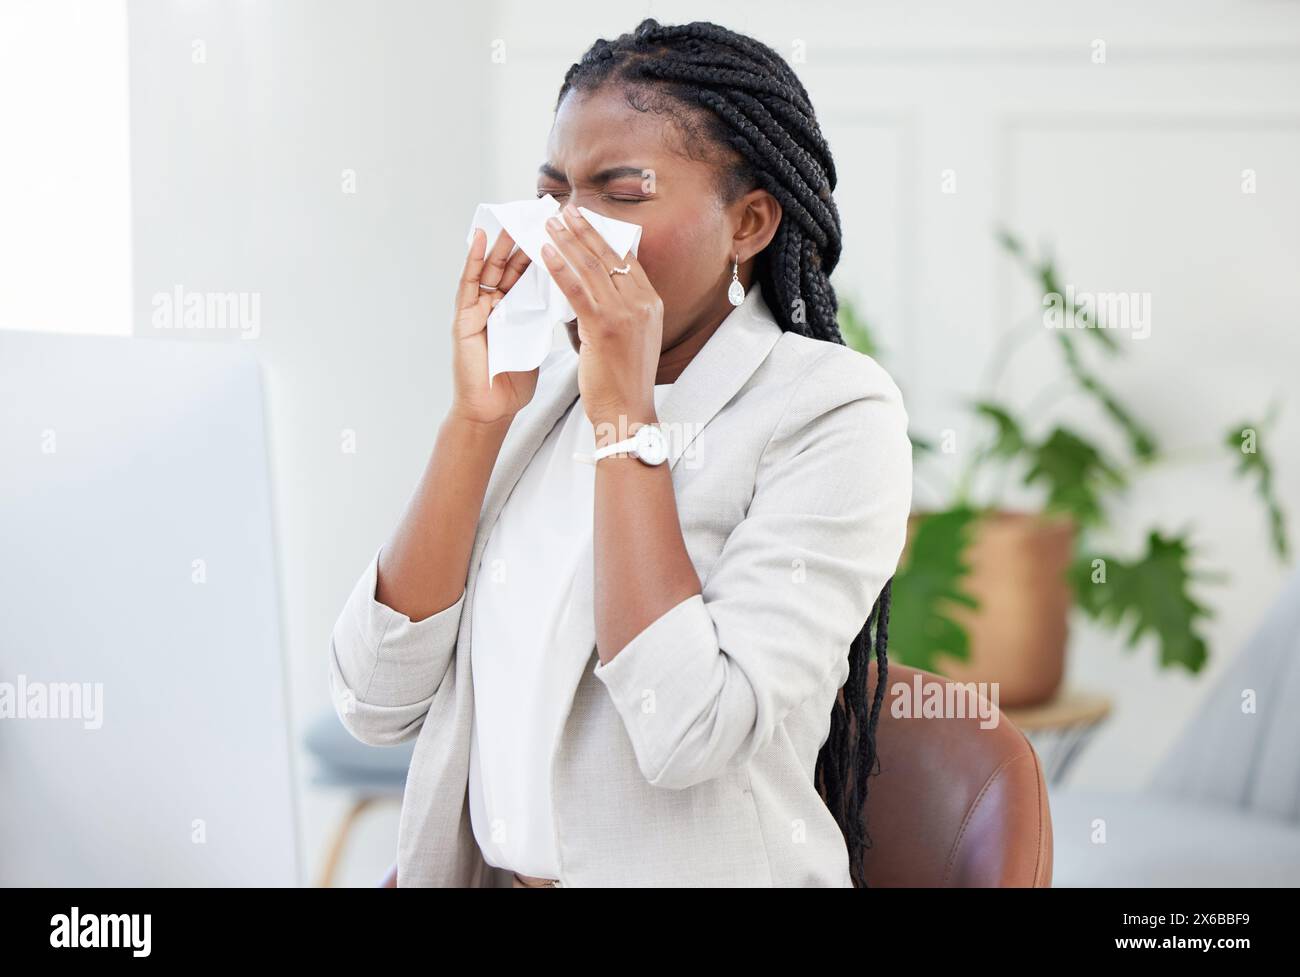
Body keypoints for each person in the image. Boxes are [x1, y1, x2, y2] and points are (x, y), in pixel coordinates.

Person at [329, 17, 913, 887]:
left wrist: (626, 424)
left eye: (621, 193)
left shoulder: (832, 413)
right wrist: (475, 423)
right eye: (555, 191)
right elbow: (374, 701)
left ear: (748, 222)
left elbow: (685, 731)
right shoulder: (540, 396)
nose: (568, 232)